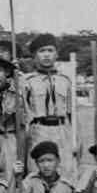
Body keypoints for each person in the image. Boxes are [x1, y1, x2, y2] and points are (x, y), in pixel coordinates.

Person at [23, 34, 75, 181]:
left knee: (65, 170)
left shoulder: (65, 81)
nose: (46, 55)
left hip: (62, 130)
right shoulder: (27, 81)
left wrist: (76, 139)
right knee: (37, 172)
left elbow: (72, 114)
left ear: (56, 54)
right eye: (41, 51)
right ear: (34, 56)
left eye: (50, 50)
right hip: (38, 131)